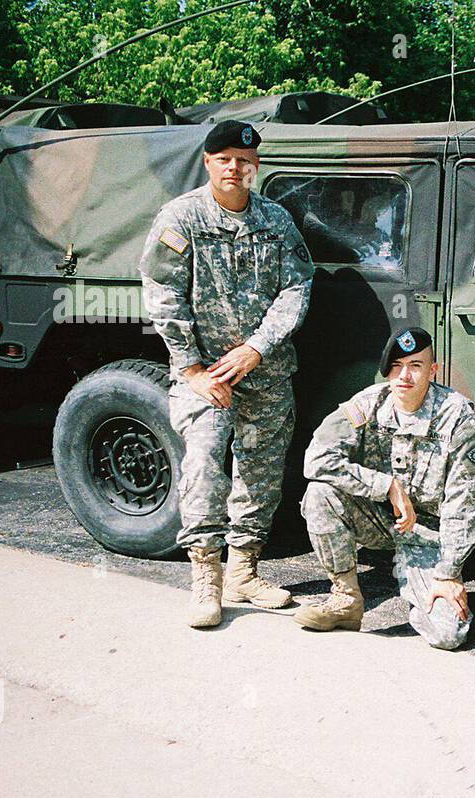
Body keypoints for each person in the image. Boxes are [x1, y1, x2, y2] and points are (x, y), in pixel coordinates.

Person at [140, 120, 314, 628]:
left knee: (261, 469)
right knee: (203, 465)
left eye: (244, 160)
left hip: (264, 371)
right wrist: (192, 368)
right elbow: (163, 293)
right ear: (209, 163)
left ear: (255, 165)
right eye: (225, 160)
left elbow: (296, 287)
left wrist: (258, 348)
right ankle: (205, 579)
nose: (235, 168)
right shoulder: (182, 218)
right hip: (205, 376)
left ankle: (243, 571)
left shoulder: (275, 220)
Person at [296, 328, 475, 650]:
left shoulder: (456, 417)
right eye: (396, 366)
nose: (404, 376)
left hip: (427, 533)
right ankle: (346, 599)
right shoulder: (370, 403)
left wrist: (449, 573)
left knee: (447, 635)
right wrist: (387, 486)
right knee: (320, 494)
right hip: (379, 519)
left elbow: (463, 503)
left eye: (415, 366)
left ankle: (416, 578)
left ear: (433, 370)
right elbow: (316, 459)